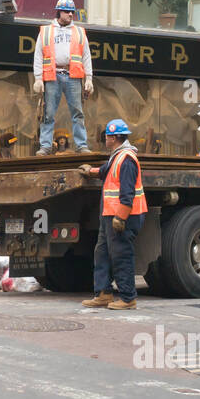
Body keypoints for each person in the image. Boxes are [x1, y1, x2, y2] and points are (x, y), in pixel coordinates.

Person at [81, 119, 145, 310]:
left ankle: (128, 298)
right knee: (102, 253)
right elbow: (106, 172)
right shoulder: (116, 156)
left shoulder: (126, 159)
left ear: (116, 137)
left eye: (107, 136)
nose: (105, 139)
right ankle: (103, 292)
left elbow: (127, 193)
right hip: (109, 215)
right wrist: (91, 172)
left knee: (121, 255)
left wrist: (121, 217)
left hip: (122, 216)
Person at [33, 0, 94, 154]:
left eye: (72, 12)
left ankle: (81, 145)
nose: (70, 15)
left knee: (78, 112)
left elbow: (86, 56)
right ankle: (45, 146)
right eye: (67, 12)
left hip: (73, 76)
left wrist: (89, 79)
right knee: (48, 113)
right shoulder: (46, 31)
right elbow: (38, 55)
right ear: (59, 11)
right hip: (53, 76)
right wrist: (38, 78)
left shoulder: (79, 32)